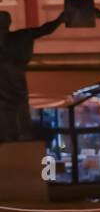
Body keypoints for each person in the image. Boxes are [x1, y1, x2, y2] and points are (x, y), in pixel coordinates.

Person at [0, 11, 63, 142]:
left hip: (14, 84)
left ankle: (18, 136)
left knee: (18, 110)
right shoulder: (21, 36)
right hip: (12, 84)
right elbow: (44, 30)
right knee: (14, 111)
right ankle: (15, 136)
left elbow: (44, 30)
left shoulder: (20, 36)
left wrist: (60, 19)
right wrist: (60, 20)